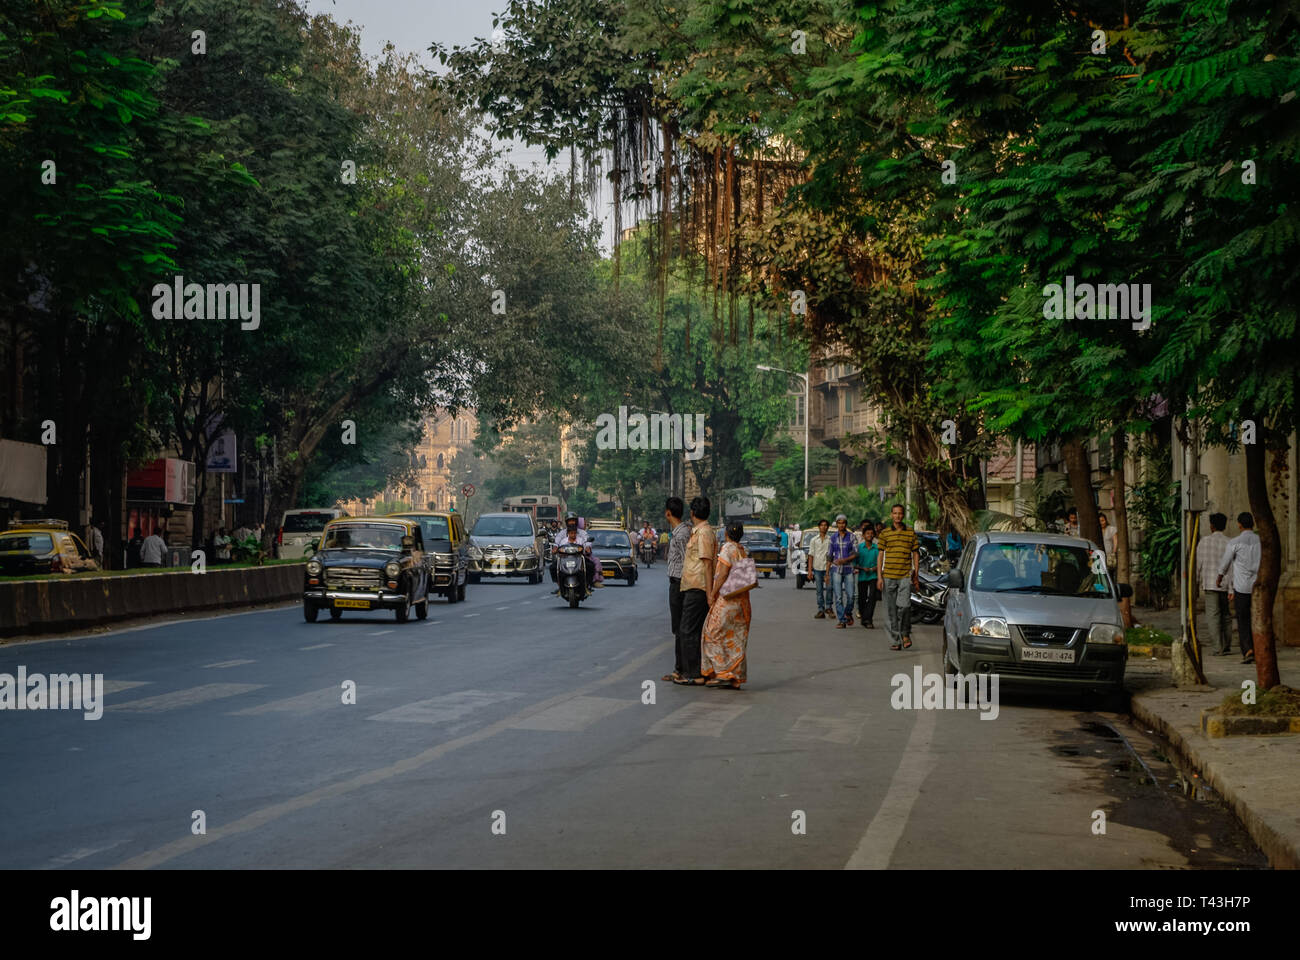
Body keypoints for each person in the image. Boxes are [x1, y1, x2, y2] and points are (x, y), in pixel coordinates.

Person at [700, 521, 751, 689]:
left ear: (726, 534)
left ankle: (722, 672)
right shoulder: (743, 550)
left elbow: (722, 575)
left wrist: (712, 593)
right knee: (736, 637)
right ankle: (734, 675)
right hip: (742, 601)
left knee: (712, 632)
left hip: (728, 600)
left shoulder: (728, 549)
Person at [674, 496, 716, 686]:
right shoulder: (698, 531)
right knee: (693, 631)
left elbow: (707, 564)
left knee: (687, 630)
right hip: (693, 586)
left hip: (698, 587)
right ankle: (697, 670)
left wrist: (709, 594)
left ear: (692, 512)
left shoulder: (704, 533)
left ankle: (694, 673)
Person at [1216, 512, 1261, 664]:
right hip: (1258, 586)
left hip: (1241, 587)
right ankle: (1258, 649)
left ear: (1239, 525)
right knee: (1257, 618)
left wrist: (1219, 577)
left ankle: (1248, 649)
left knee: (1243, 619)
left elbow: (1225, 563)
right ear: (1252, 524)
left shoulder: (1235, 542)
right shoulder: (1260, 541)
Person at [876, 503, 919, 650]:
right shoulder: (885, 533)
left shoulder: (910, 533)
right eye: (895, 513)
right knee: (890, 611)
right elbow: (880, 555)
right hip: (888, 576)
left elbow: (915, 553)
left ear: (903, 515)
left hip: (905, 576)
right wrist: (879, 577)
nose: (898, 516)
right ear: (891, 515)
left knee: (905, 606)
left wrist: (916, 573)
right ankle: (896, 640)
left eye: (900, 513)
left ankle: (905, 633)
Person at [661, 497, 694, 684]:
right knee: (679, 628)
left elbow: (686, 558)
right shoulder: (679, 531)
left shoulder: (681, 534)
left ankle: (681, 669)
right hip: (678, 582)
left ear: (668, 513)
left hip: (680, 582)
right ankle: (680, 668)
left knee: (679, 628)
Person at [1197, 513, 1232, 656]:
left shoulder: (1204, 542)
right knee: (1226, 615)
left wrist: (1196, 581)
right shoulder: (1230, 542)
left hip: (1210, 584)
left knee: (1213, 616)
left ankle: (1218, 648)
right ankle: (1227, 645)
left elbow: (1198, 564)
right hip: (1225, 584)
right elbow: (1232, 566)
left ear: (1211, 526)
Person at [551, 512, 600, 591]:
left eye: (573, 521)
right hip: (565, 558)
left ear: (576, 522)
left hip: (579, 557)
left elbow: (586, 541)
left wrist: (587, 547)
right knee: (553, 567)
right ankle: (560, 586)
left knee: (590, 566)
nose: (571, 523)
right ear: (567, 523)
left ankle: (587, 585)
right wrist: (555, 547)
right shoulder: (562, 535)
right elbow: (557, 542)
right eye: (569, 521)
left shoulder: (582, 533)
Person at [828, 514, 857, 628]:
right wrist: (826, 573)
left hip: (849, 569)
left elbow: (855, 553)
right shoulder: (833, 538)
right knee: (838, 597)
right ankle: (842, 620)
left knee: (851, 596)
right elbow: (829, 556)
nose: (841, 525)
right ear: (836, 524)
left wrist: (844, 560)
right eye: (839, 523)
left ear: (846, 524)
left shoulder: (852, 537)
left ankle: (848, 612)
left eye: (843, 522)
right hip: (836, 570)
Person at [807, 518, 832, 619]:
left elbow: (832, 555)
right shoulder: (814, 540)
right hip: (817, 568)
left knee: (830, 588)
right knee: (819, 590)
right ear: (819, 527)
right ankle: (821, 610)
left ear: (827, 527)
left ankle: (829, 607)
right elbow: (810, 555)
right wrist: (809, 571)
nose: (823, 527)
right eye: (822, 525)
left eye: (825, 525)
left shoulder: (831, 540)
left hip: (828, 568)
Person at [856, 524, 879, 628]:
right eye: (867, 533)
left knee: (872, 597)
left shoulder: (877, 548)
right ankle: (863, 617)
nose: (869, 535)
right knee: (862, 598)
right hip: (862, 576)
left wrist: (875, 568)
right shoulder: (859, 548)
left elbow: (881, 562)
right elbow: (854, 564)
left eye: (871, 533)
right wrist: (862, 568)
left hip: (874, 576)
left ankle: (868, 620)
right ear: (863, 535)